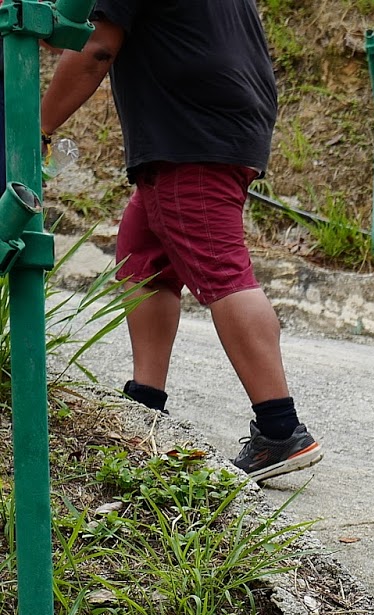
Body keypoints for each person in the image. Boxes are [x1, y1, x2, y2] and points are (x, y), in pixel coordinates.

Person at [40, 0, 321, 482]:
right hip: (224, 119)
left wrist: (37, 127)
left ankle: (280, 429)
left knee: (222, 270)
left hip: (192, 132)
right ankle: (145, 404)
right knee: (142, 259)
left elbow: (98, 47)